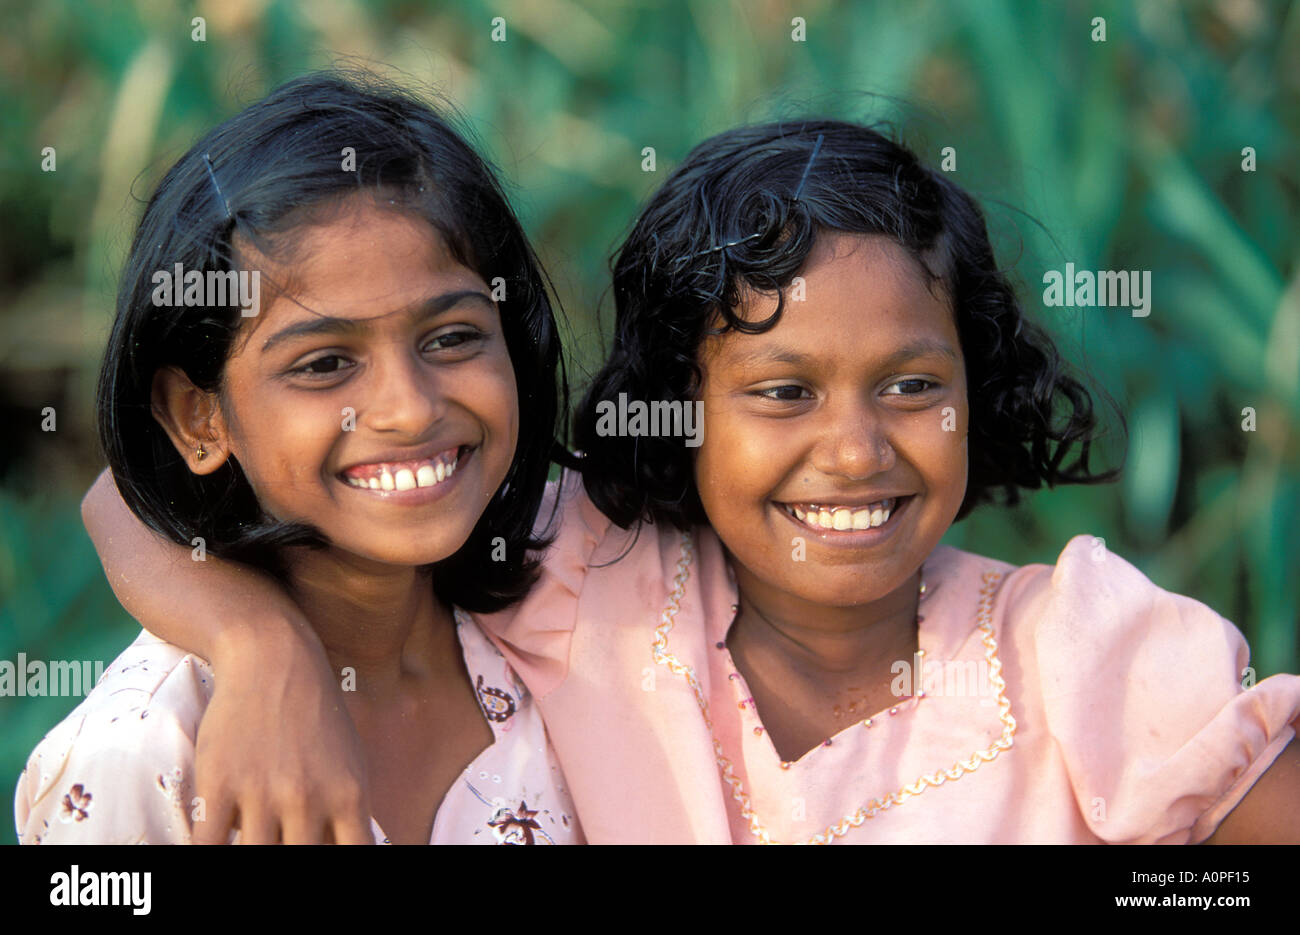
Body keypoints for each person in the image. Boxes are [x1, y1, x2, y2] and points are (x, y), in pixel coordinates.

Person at [74, 119, 1300, 844]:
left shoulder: (1076, 647)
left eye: (912, 385)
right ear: (676, 413)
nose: (857, 449)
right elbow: (131, 488)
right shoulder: (587, 571)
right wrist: (258, 647)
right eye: (779, 392)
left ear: (977, 390)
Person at [15, 71, 579, 845]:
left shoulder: (575, 603)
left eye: (451, 338)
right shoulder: (148, 750)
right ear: (198, 417)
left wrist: (257, 642)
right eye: (324, 364)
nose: (410, 407)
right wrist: (258, 647)